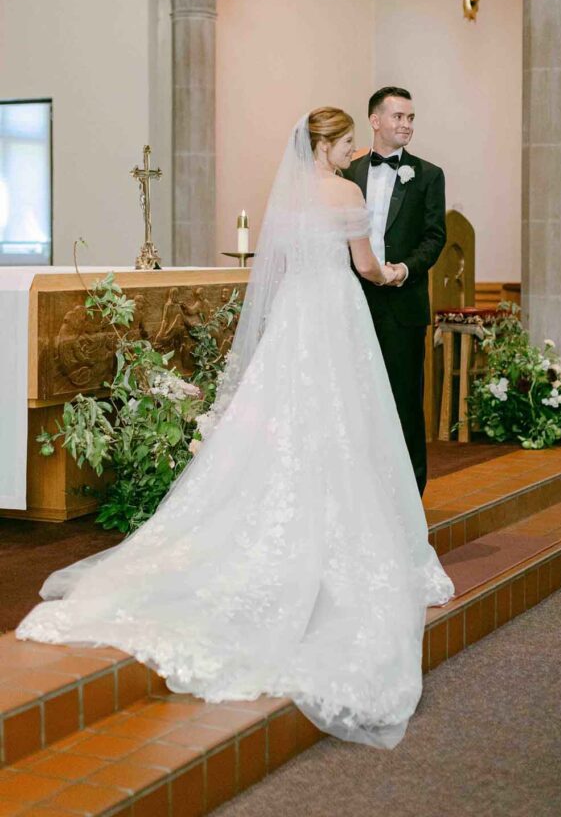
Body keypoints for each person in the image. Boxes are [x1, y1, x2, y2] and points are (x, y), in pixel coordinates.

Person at [17, 108, 453, 750]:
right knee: (344, 425)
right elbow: (364, 265)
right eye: (344, 142)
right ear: (328, 146)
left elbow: (273, 271)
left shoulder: (290, 195)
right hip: (336, 316)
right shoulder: (347, 192)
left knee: (282, 425)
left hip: (294, 318)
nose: (352, 149)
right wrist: (391, 274)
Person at [346, 88, 446, 495]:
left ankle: (410, 498)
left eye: (411, 118)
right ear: (375, 121)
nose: (406, 125)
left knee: (405, 404)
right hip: (352, 303)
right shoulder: (347, 174)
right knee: (356, 400)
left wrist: (404, 269)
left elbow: (434, 237)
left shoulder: (428, 175)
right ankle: (362, 494)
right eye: (399, 117)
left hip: (403, 307)